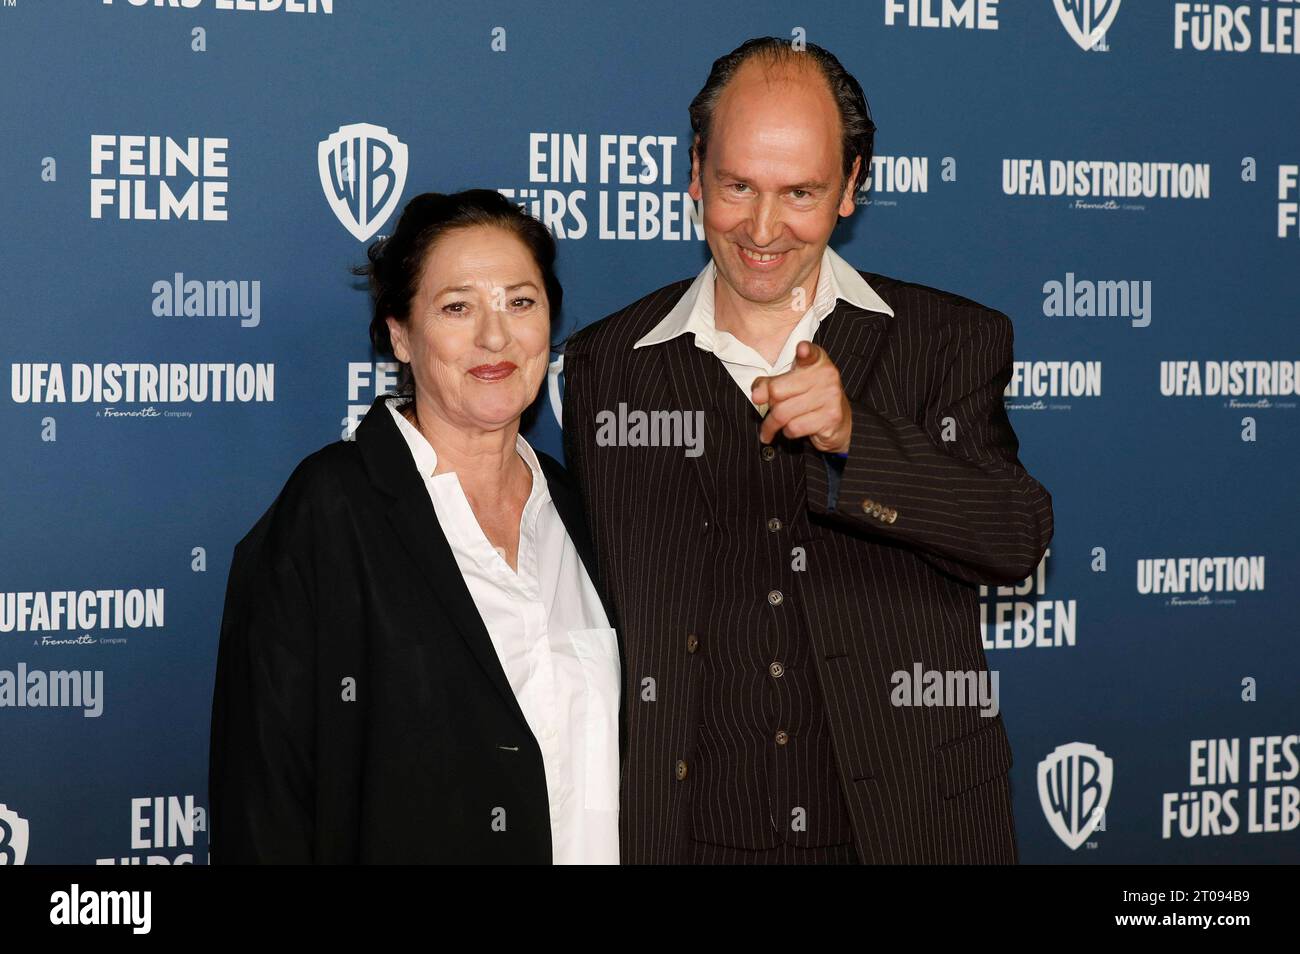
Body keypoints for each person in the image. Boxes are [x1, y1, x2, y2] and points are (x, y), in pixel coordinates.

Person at [561, 38, 1054, 864]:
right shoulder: (608, 363)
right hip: (687, 834)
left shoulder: (947, 341)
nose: (762, 228)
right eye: (737, 186)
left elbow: (1014, 538)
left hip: (911, 830)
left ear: (852, 189)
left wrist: (859, 439)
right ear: (694, 174)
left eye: (800, 192)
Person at [210, 189, 621, 864]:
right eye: (457, 307)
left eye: (520, 301)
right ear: (400, 333)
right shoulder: (329, 512)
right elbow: (263, 801)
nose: (496, 336)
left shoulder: (585, 511)